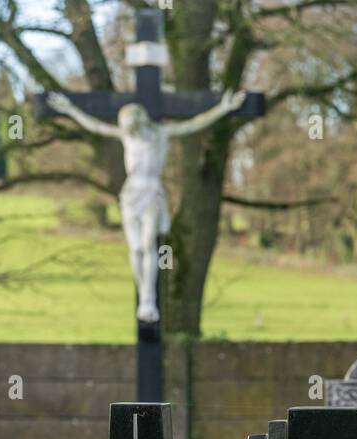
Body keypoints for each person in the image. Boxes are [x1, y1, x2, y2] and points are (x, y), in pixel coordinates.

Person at [46, 89, 246, 322]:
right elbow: (96, 126)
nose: (128, 130)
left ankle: (149, 300)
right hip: (132, 194)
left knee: (149, 243)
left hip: (151, 193)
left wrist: (223, 108)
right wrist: (70, 109)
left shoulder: (160, 134)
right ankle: (144, 298)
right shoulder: (127, 137)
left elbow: (193, 124)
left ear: (139, 120)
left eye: (131, 125)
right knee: (136, 249)